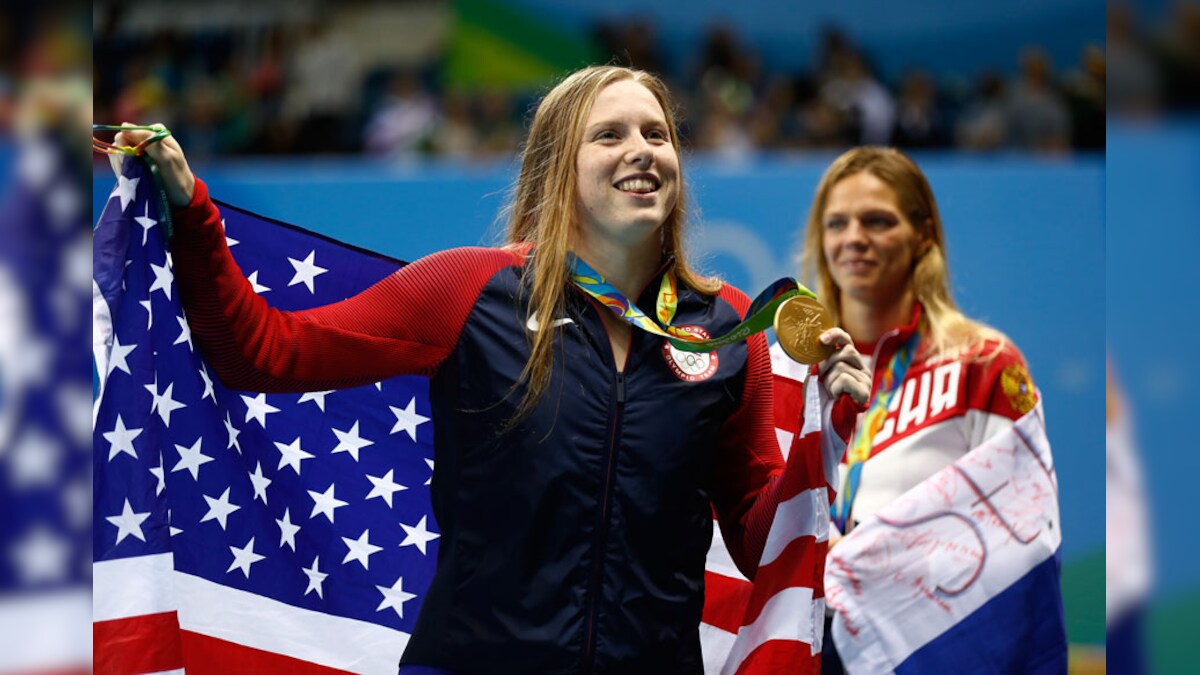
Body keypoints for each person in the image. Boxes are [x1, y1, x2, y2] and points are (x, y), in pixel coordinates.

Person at [115, 65, 871, 674]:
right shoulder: (467, 290)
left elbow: (755, 533)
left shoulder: (727, 327)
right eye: (608, 135)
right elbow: (264, 351)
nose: (642, 149)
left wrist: (827, 436)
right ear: (556, 168)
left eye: (658, 133)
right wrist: (191, 208)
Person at [779, 146, 1041, 673]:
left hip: (928, 647)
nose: (854, 237)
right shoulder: (791, 372)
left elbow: (1021, 541)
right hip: (808, 641)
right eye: (837, 223)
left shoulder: (983, 364)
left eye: (878, 221)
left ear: (924, 234)